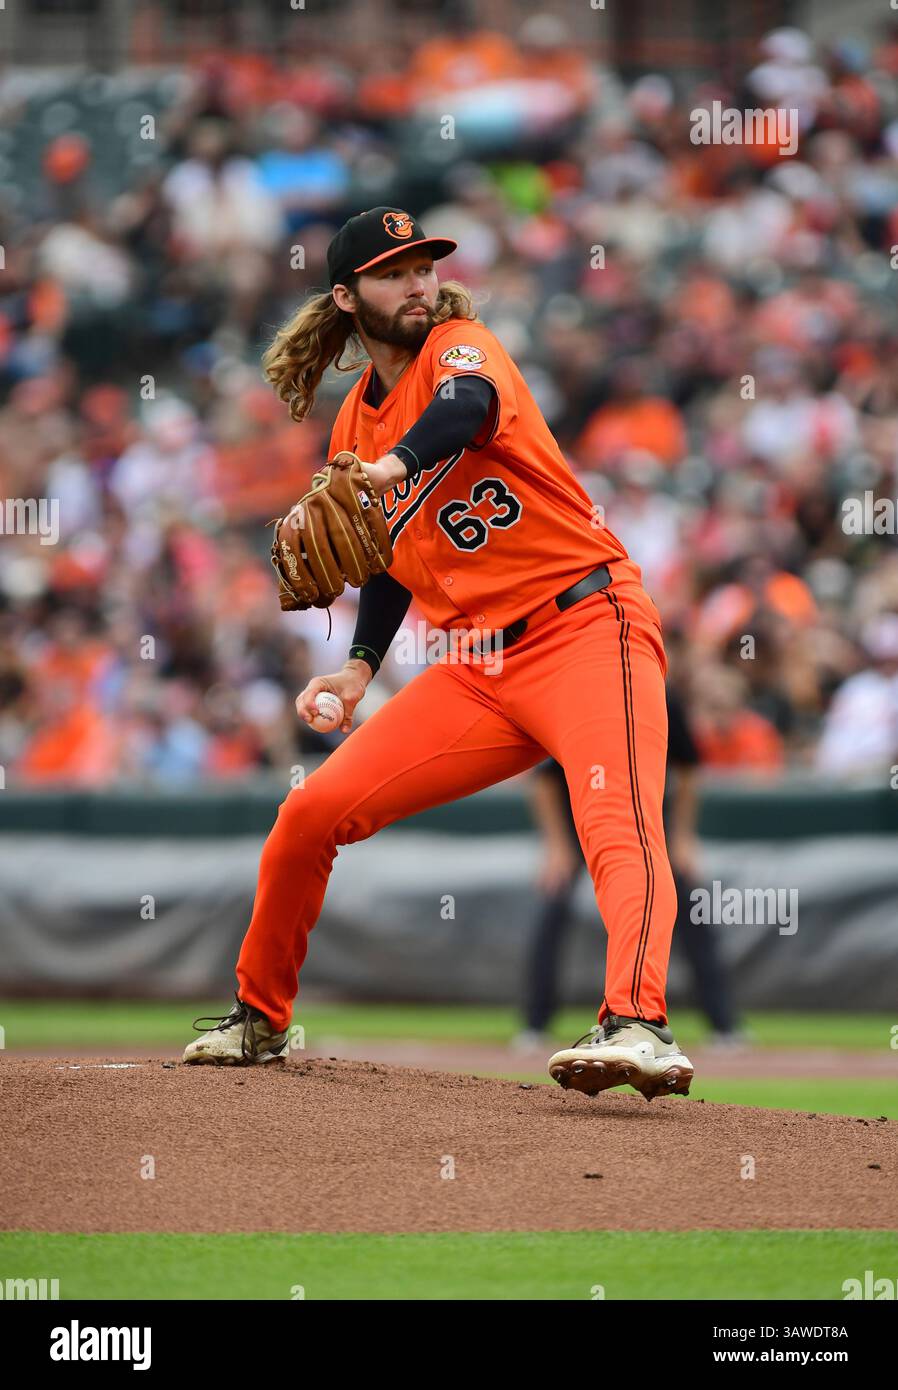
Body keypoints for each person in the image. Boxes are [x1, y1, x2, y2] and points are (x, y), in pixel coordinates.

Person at [183, 206, 694, 1101]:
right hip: (477, 670)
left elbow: (469, 411)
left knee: (616, 821)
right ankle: (258, 1021)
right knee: (311, 812)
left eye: (423, 265)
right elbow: (387, 559)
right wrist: (359, 667)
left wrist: (393, 468)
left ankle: (639, 1024)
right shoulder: (352, 426)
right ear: (347, 297)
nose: (417, 283)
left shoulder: (461, 346)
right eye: (393, 273)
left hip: (586, 625)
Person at [515, 685, 744, 1052]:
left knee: (691, 915)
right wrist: (557, 846)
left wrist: (683, 837)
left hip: (647, 821)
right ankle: (534, 1024)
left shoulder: (660, 697)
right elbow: (544, 779)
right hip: (584, 821)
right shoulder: (581, 695)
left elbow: (688, 771)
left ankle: (724, 1025)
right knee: (552, 916)